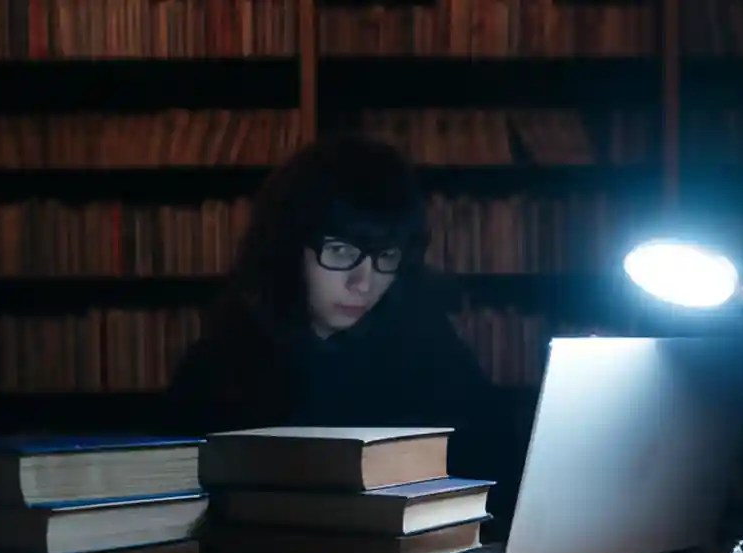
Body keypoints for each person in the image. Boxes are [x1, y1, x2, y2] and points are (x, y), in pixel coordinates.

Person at [164, 135, 510, 492]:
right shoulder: (218, 365)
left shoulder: (429, 346)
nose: (364, 282)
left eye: (385, 257)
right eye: (342, 251)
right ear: (288, 248)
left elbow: (497, 464)